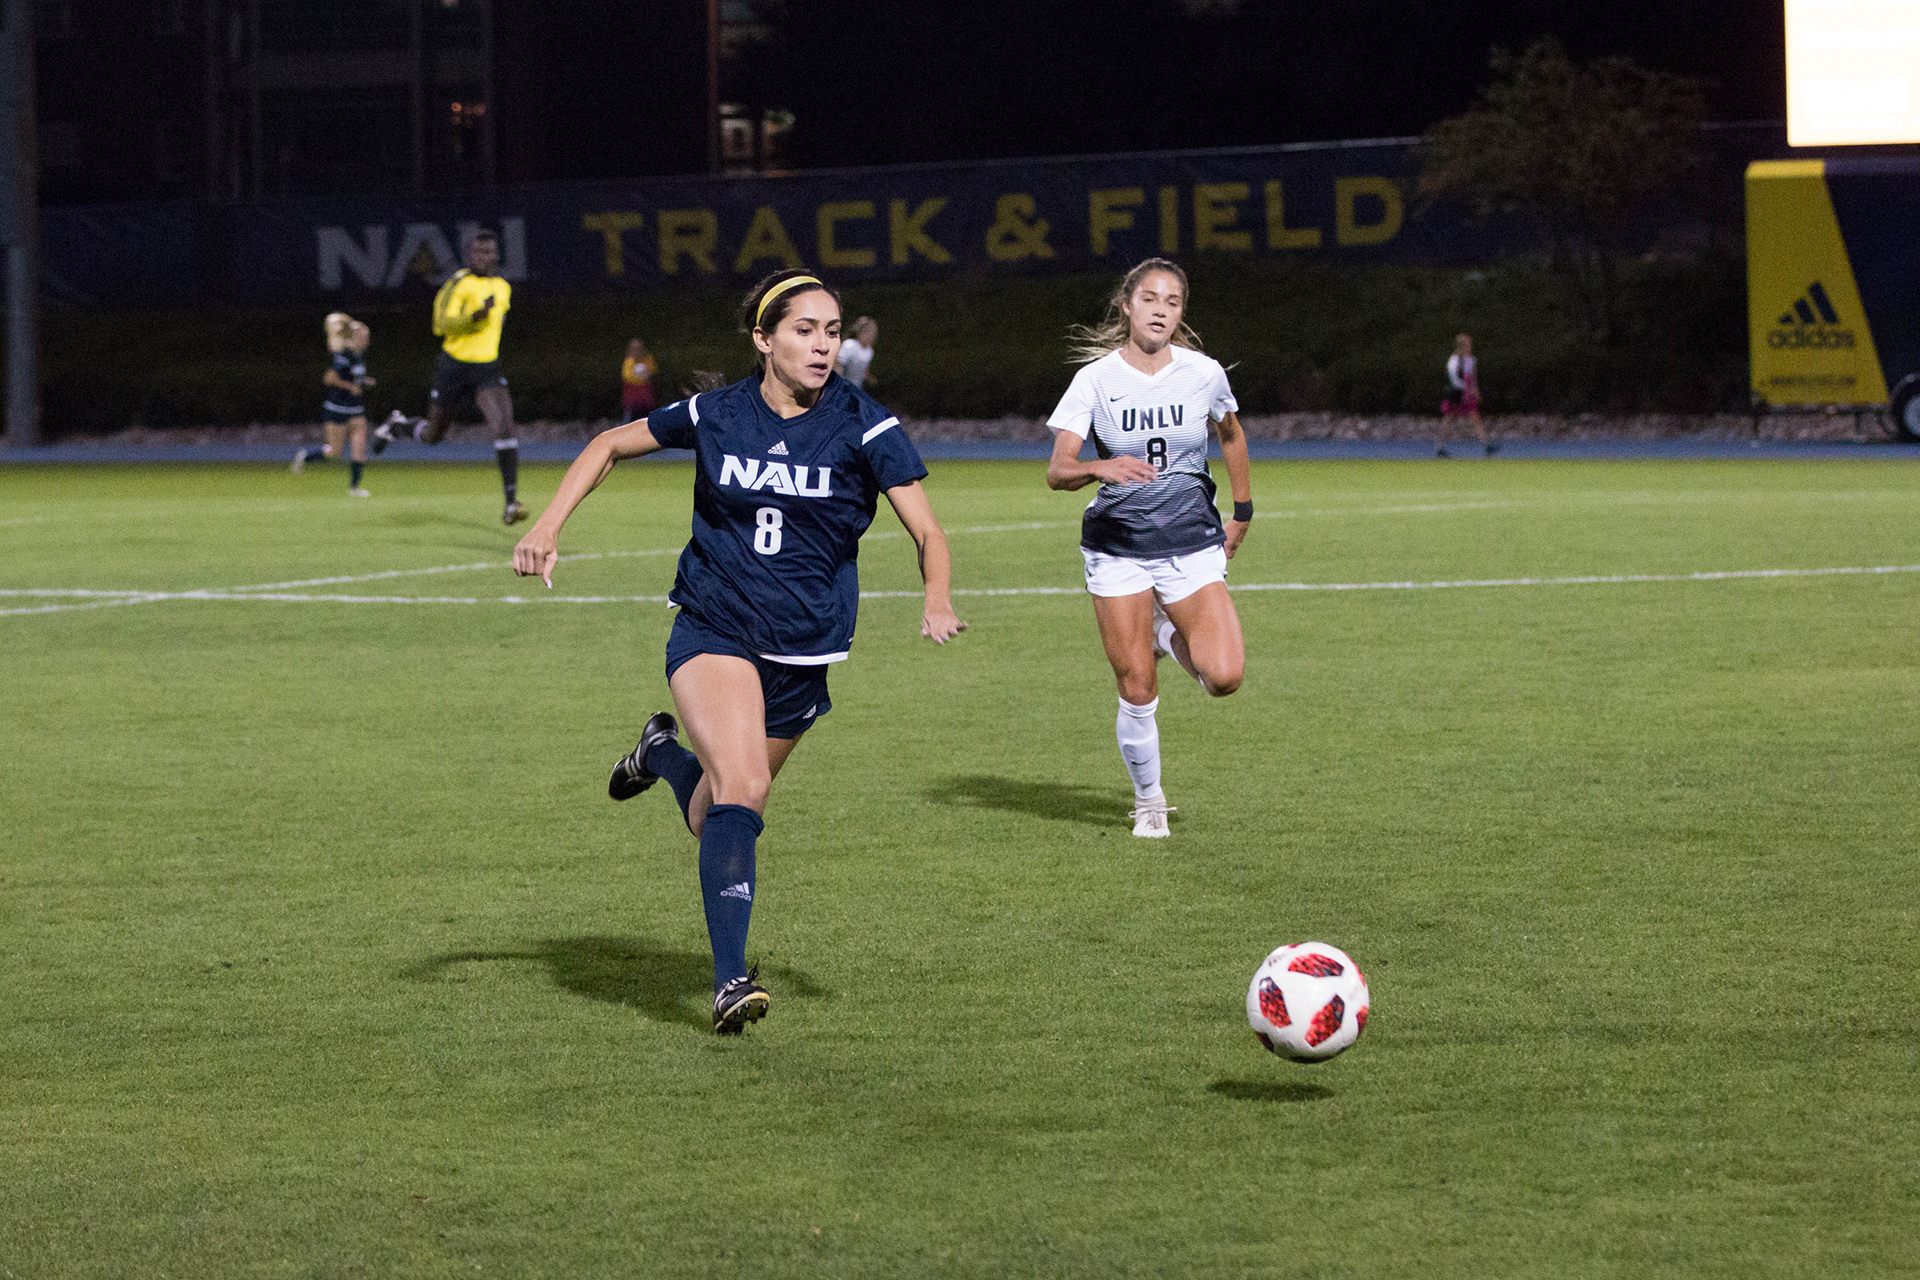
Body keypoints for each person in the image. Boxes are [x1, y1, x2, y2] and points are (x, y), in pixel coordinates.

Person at [511, 268, 966, 1034]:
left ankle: (658, 754)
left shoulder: (864, 423)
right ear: (763, 339)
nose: (823, 345)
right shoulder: (716, 412)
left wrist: (937, 594)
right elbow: (609, 444)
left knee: (711, 811)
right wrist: (548, 522)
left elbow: (928, 530)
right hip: (714, 627)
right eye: (803, 330)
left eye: (831, 330)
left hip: (805, 649)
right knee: (745, 785)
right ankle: (730, 982)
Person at [1044, 257, 1251, 839]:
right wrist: (1099, 466)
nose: (1161, 310)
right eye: (1150, 299)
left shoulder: (1203, 373)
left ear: (1181, 313)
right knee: (1137, 686)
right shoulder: (1096, 379)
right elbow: (1058, 471)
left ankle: (1164, 631)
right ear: (1127, 305)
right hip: (1118, 547)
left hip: (1190, 541)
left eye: (1173, 302)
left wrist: (1243, 512)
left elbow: (1231, 434)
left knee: (1225, 676)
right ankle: (1150, 800)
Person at [372, 228, 527, 523]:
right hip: (454, 366)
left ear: (497, 255)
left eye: (491, 251)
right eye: (480, 252)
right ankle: (397, 426)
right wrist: (473, 318)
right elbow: (440, 324)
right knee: (433, 435)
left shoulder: (503, 288)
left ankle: (511, 503)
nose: (486, 257)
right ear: (470, 255)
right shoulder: (459, 282)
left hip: (486, 368)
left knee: (504, 426)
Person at [292, 313, 373, 497]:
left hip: (356, 409)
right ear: (354, 337)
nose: (367, 341)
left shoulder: (360, 355)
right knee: (334, 452)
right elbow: (329, 378)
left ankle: (354, 488)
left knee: (359, 448)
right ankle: (306, 456)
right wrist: (350, 386)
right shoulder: (343, 355)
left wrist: (363, 382)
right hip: (337, 408)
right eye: (364, 337)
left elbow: (354, 377)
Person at [1437, 332, 1496, 457]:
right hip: (1457, 393)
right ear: (1462, 345)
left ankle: (1487, 445)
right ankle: (1440, 447)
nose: (1470, 346)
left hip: (1466, 394)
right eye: (1468, 344)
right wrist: (1467, 389)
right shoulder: (1454, 360)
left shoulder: (1471, 359)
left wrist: (1474, 390)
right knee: (1449, 419)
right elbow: (1454, 378)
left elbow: (1472, 378)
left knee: (1475, 418)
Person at [835, 316, 878, 388]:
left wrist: (870, 378)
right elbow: (837, 365)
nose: (872, 336)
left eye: (874, 333)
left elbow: (864, 370)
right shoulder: (849, 345)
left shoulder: (869, 351)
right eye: (869, 332)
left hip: (856, 388)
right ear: (861, 332)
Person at [620, 338, 658, 420]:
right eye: (635, 349)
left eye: (639, 348)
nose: (637, 351)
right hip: (632, 399)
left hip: (646, 398)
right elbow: (627, 377)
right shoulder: (629, 362)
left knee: (647, 419)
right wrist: (640, 378)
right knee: (630, 420)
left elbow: (653, 371)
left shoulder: (648, 360)